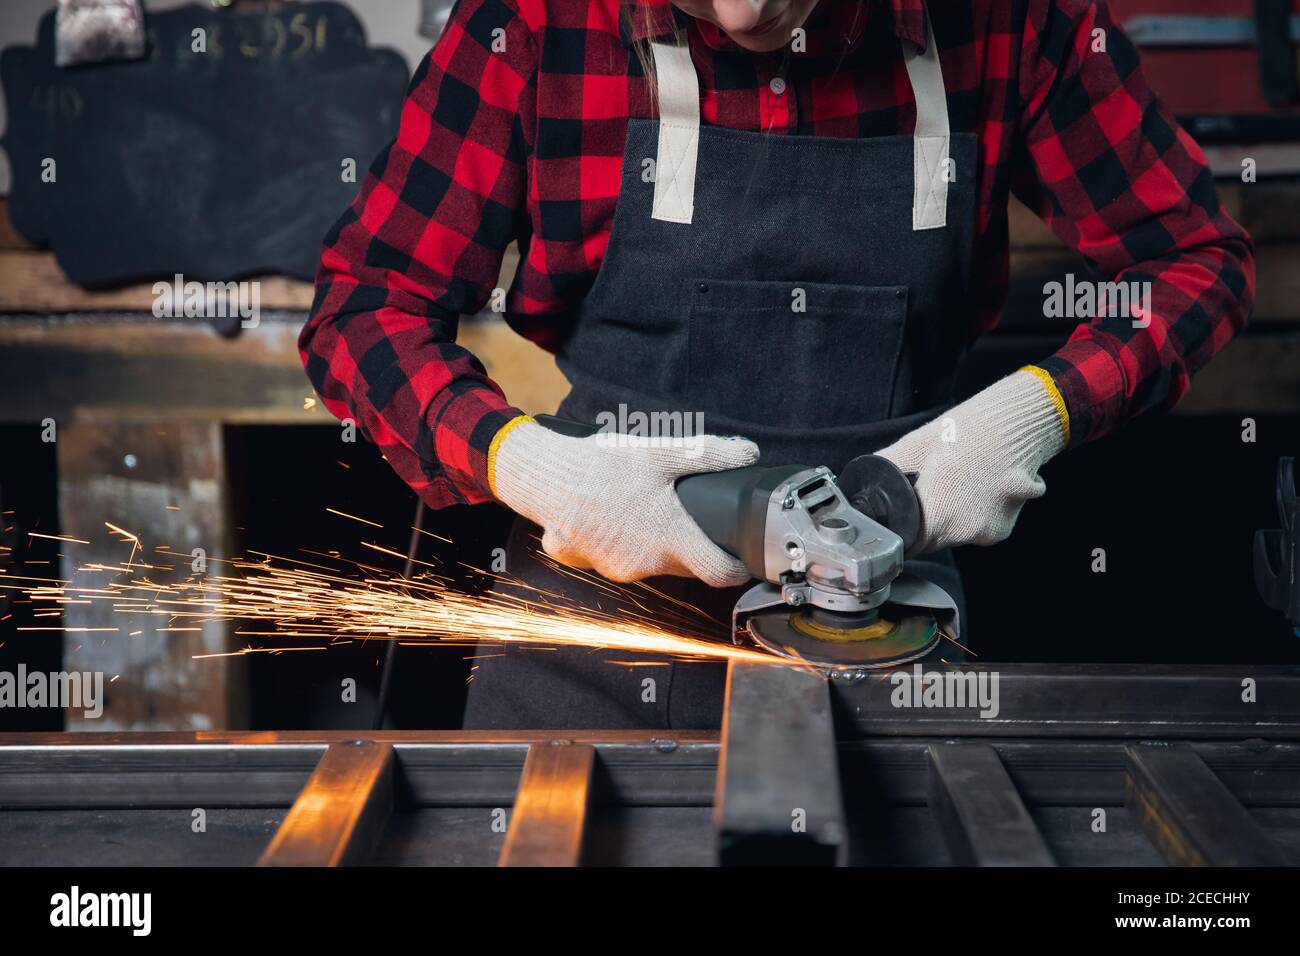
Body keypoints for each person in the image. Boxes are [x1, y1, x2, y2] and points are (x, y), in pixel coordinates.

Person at [301, 0, 1254, 729]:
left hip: (890, 605)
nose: (750, 14)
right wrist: (533, 465)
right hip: (598, 596)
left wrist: (1036, 411)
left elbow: (1193, 258)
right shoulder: (536, 21)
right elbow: (363, 307)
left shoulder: (1003, 18)